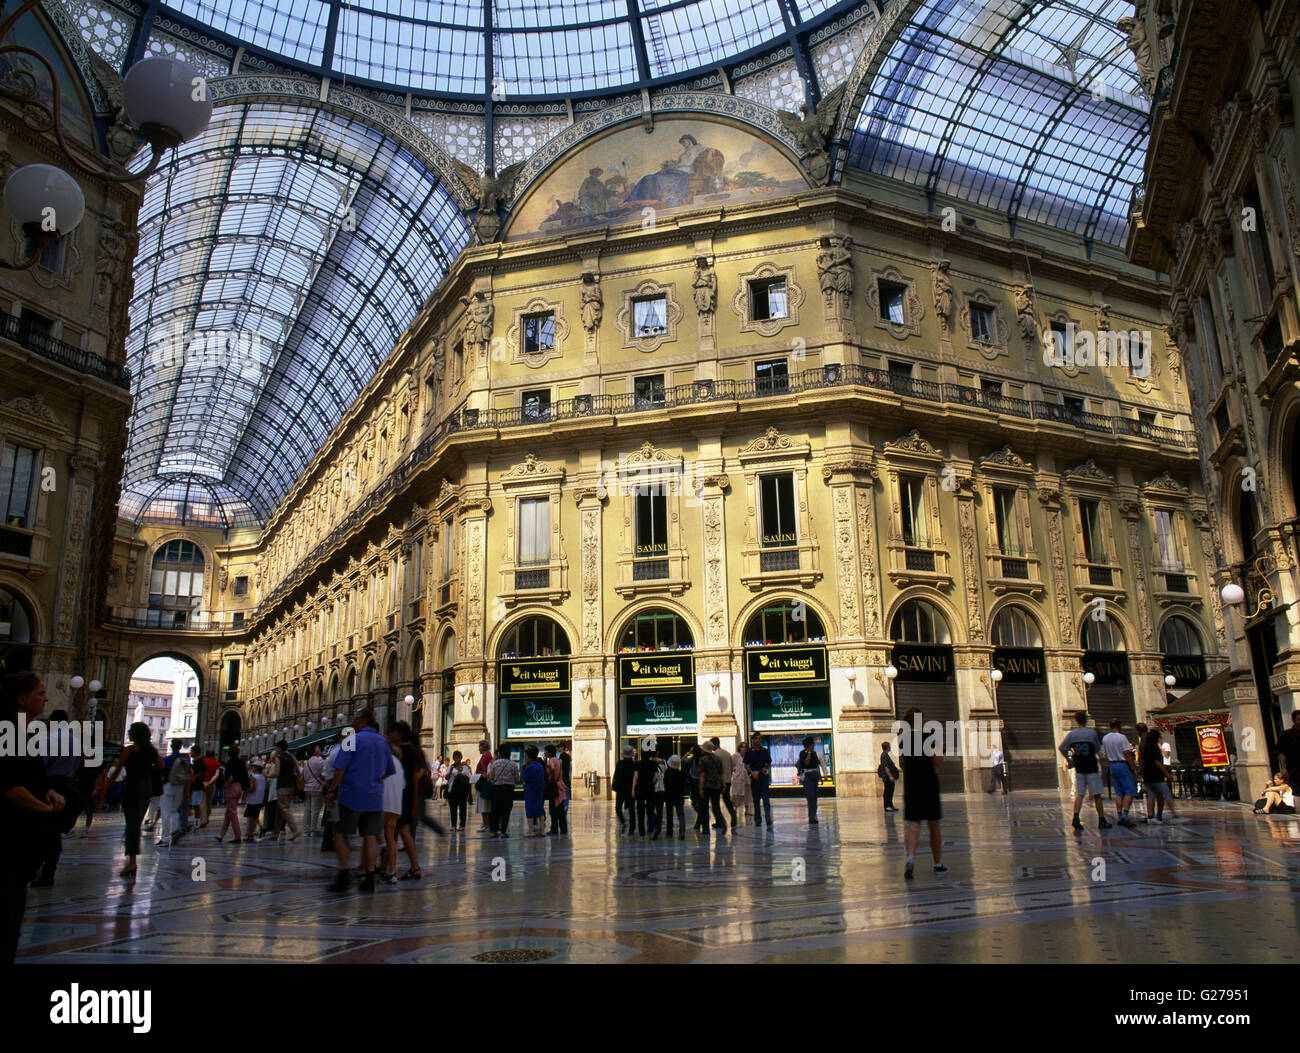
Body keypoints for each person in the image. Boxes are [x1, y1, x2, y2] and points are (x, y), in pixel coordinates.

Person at [1, 673, 64, 962]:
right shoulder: (8, 732)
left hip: (21, 842)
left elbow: (28, 777)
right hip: (10, 838)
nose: (46, 697)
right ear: (21, 699)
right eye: (40, 693)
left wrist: (48, 790)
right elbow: (11, 788)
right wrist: (45, 808)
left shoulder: (22, 731)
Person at [326, 709, 391, 892]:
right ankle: (369, 878)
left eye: (354, 720)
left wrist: (332, 790)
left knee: (340, 833)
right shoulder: (383, 741)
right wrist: (374, 780)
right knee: (370, 836)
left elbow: (339, 768)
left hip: (351, 795)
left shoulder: (351, 740)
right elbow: (389, 770)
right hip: (374, 795)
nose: (352, 723)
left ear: (363, 721)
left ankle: (343, 873)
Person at [102, 721, 164, 877]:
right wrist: (148, 769)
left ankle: (132, 862)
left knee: (132, 823)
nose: (128, 733)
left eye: (130, 731)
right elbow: (161, 766)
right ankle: (132, 860)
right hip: (146, 786)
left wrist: (107, 785)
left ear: (135, 734)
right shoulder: (151, 750)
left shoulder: (129, 750)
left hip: (132, 785)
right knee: (136, 822)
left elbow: (117, 769)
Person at [34, 709, 84, 887]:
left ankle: (37, 869)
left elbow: (40, 767)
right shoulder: (76, 742)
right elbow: (77, 766)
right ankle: (49, 871)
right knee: (54, 832)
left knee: (41, 829)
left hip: (50, 788)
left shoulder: (48, 740)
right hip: (68, 788)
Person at [899, 707, 945, 878]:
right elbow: (937, 761)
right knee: (934, 825)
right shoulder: (929, 737)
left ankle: (910, 858)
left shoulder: (902, 739)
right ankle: (938, 864)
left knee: (914, 824)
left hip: (911, 784)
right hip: (929, 783)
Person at [1059, 711, 1110, 831]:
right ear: (1085, 720)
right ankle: (1101, 820)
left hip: (1080, 768)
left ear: (1076, 720)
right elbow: (1097, 748)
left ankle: (1075, 818)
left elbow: (1062, 747)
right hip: (1091, 767)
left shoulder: (1072, 734)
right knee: (1097, 794)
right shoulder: (1091, 733)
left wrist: (1069, 759)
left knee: (1079, 794)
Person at [1101, 718, 1138, 826]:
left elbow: (1106, 754)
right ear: (1120, 726)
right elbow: (1126, 753)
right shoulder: (1122, 737)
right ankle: (1125, 816)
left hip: (1112, 765)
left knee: (1119, 793)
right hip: (1122, 764)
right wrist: (1134, 767)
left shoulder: (1105, 738)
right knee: (1130, 791)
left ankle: (1119, 815)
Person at [1140, 727, 1177, 823]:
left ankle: (1151, 816)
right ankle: (1172, 814)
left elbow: (1143, 762)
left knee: (1151, 795)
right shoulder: (1154, 747)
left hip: (1148, 775)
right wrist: (1167, 773)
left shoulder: (1145, 747)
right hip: (1156, 775)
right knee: (1166, 794)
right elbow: (1157, 762)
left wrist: (1143, 775)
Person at [158, 738, 191, 847]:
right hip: (180, 787)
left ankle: (165, 838)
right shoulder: (185, 760)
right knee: (174, 810)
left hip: (168, 786)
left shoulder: (168, 759)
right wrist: (187, 792)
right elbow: (188, 776)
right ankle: (176, 829)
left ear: (172, 746)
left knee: (165, 812)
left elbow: (161, 771)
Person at [216, 745, 248, 843]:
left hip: (231, 788)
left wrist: (225, 787)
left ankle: (238, 836)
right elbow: (245, 776)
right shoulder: (242, 763)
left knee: (232, 813)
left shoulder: (229, 763)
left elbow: (230, 778)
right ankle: (221, 835)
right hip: (239, 787)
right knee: (228, 813)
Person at [270, 741, 301, 840]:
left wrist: (266, 775)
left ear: (279, 749)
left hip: (282, 786)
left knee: (285, 808)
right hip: (291, 786)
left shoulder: (279, 758)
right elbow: (298, 772)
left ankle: (295, 830)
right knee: (280, 809)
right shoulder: (292, 757)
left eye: (276, 748)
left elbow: (277, 773)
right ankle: (275, 833)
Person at [487, 746, 520, 838]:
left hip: (496, 788)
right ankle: (503, 831)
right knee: (506, 810)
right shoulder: (513, 764)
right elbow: (517, 778)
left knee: (495, 810)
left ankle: (493, 831)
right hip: (508, 789)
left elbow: (491, 777)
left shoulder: (495, 763)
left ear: (499, 754)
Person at [697, 740, 726, 834]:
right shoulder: (717, 759)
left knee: (704, 807)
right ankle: (721, 821)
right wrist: (723, 784)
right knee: (716, 805)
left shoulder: (702, 760)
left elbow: (702, 775)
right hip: (717, 785)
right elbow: (721, 773)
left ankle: (706, 829)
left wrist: (700, 788)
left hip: (707, 786)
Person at [631, 744, 660, 837]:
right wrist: (652, 784)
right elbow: (656, 776)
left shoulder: (638, 764)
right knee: (650, 809)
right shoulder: (653, 764)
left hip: (640, 788)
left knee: (640, 811)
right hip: (650, 788)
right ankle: (653, 827)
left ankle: (641, 832)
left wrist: (633, 789)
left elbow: (635, 776)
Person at [710, 737, 739, 828]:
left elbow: (716, 769)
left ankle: (719, 821)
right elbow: (731, 767)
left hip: (718, 781)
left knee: (715, 801)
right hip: (727, 780)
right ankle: (732, 814)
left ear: (715, 744)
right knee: (726, 799)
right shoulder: (727, 754)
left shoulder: (715, 755)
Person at [746, 733, 774, 827]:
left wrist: (766, 768)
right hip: (754, 777)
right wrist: (752, 773)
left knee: (766, 798)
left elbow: (769, 762)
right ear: (753, 740)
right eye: (756, 738)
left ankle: (768, 818)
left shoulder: (764, 751)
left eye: (759, 738)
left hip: (763, 776)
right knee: (756, 800)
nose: (758, 740)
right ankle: (757, 819)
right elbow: (746, 765)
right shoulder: (750, 751)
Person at [796, 736, 823, 823]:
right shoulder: (803, 753)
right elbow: (806, 762)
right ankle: (811, 816)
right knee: (810, 796)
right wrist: (809, 753)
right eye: (812, 744)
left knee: (814, 797)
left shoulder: (815, 753)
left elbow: (817, 766)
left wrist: (820, 777)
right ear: (808, 745)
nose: (813, 746)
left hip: (815, 776)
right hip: (807, 777)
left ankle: (814, 814)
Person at [522, 745, 546, 837]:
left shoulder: (528, 767)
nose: (524, 758)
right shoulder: (539, 765)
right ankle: (542, 830)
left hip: (530, 791)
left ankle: (531, 831)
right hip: (539, 791)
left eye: (525, 757)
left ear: (529, 758)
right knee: (540, 810)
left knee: (530, 811)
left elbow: (524, 781)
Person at [544, 744, 568, 836]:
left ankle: (554, 828)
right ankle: (563, 828)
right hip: (560, 785)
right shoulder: (557, 760)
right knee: (560, 810)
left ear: (548, 752)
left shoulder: (551, 761)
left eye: (546, 751)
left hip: (554, 787)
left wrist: (546, 766)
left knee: (553, 810)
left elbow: (549, 772)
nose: (545, 752)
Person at [613, 746, 637, 834]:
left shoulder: (620, 763)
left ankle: (623, 822)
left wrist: (613, 784)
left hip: (621, 789)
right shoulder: (634, 764)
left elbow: (616, 776)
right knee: (631, 810)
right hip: (630, 789)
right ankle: (632, 829)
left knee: (618, 808)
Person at [302, 745, 326, 835]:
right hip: (317, 788)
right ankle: (313, 829)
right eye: (318, 749)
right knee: (315, 809)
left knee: (307, 809)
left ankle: (305, 830)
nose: (320, 749)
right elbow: (324, 773)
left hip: (307, 788)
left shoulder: (306, 763)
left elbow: (303, 776)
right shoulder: (319, 761)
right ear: (314, 752)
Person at [447, 750, 472, 830]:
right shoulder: (451, 767)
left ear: (461, 758)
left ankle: (462, 825)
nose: (457, 759)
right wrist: (450, 771)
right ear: (453, 758)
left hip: (462, 790)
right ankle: (453, 825)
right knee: (453, 808)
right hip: (452, 789)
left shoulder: (465, 767)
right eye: (455, 757)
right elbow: (446, 778)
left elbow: (469, 777)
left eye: (459, 757)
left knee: (462, 808)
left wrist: (460, 776)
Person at [243, 759, 268, 840]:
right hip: (260, 799)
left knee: (250, 817)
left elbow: (253, 788)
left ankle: (250, 834)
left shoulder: (254, 777)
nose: (252, 768)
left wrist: (246, 790)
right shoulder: (263, 777)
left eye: (253, 767)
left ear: (256, 768)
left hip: (253, 799)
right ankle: (261, 828)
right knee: (255, 816)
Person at [663, 754, 686, 839]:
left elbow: (665, 784)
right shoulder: (682, 774)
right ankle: (682, 830)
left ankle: (669, 832)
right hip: (679, 796)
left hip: (669, 796)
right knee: (680, 814)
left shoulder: (667, 773)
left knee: (669, 814)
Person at [474, 739, 495, 831]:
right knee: (485, 804)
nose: (478, 748)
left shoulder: (485, 756)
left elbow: (483, 768)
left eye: (479, 746)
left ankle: (485, 824)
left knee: (483, 804)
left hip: (483, 782)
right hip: (483, 780)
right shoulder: (487, 755)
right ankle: (486, 823)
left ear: (483, 747)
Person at [1277, 709, 1300, 790]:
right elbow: (1281, 752)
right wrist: (1283, 768)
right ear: (1293, 720)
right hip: (1295, 771)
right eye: (1299, 719)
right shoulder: (1286, 735)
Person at [731, 741, 752, 825]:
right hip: (738, 778)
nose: (744, 749)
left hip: (746, 777)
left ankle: (746, 810)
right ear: (739, 748)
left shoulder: (748, 756)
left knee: (747, 794)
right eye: (742, 747)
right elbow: (732, 765)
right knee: (737, 793)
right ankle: (735, 809)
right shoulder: (736, 756)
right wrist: (735, 771)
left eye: (745, 747)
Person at [199, 749, 220, 825]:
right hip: (211, 784)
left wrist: (204, 782)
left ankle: (203, 820)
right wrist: (210, 782)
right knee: (209, 802)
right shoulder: (216, 763)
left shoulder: (202, 761)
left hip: (202, 783)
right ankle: (207, 818)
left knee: (202, 802)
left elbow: (199, 773)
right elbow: (217, 774)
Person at [878, 741, 899, 812]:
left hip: (888, 777)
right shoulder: (884, 755)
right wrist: (890, 776)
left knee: (890, 791)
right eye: (889, 746)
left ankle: (890, 805)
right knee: (888, 791)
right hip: (887, 777)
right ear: (887, 747)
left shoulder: (885, 755)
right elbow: (886, 767)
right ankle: (887, 806)